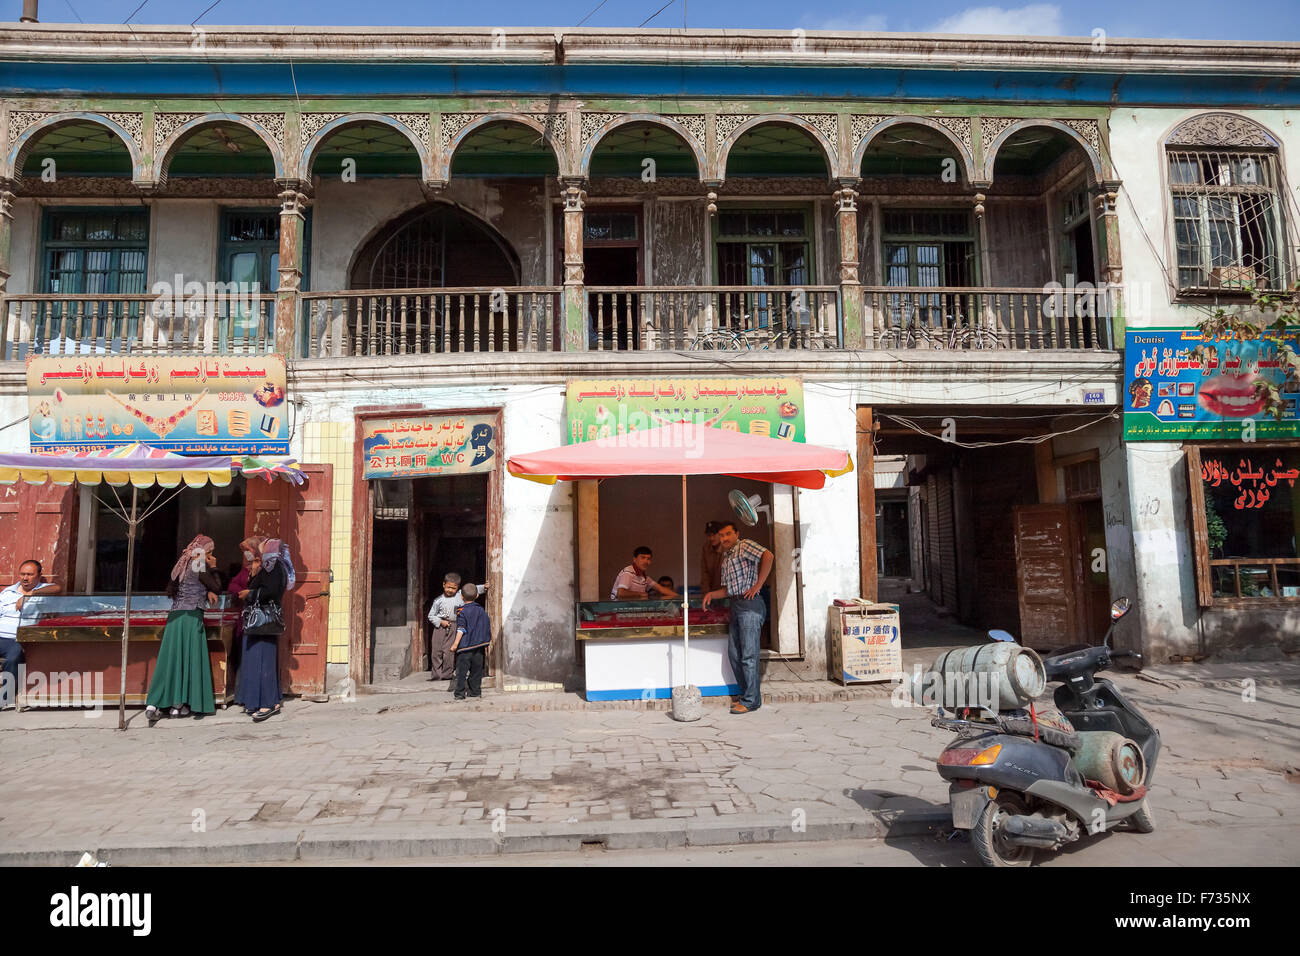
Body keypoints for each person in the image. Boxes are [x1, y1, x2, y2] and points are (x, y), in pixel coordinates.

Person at [144, 535, 221, 725]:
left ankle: (162, 703)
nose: (210, 555)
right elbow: (216, 586)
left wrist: (207, 590)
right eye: (210, 552)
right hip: (190, 616)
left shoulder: (183, 563)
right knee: (189, 658)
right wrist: (214, 567)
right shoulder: (197, 563)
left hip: (175, 617)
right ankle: (180, 704)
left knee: (172, 659)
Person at [702, 521, 773, 715]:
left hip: (750, 605)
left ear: (736, 534)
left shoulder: (744, 545)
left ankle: (751, 701)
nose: (724, 538)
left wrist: (759, 585)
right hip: (736, 605)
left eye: (728, 534)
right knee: (734, 653)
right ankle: (747, 696)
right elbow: (727, 590)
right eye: (721, 535)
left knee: (749, 655)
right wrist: (711, 595)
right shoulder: (726, 557)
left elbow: (768, 555)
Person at [238, 538, 289, 722]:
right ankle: (263, 701)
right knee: (257, 661)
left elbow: (272, 591)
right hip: (259, 624)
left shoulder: (273, 566)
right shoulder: (266, 566)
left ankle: (267, 703)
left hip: (263, 623)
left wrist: (250, 593)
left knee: (263, 662)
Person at [0, 560, 61, 710]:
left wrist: (30, 596)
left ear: (39, 576)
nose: (25, 578)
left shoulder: (43, 590)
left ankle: (4, 699)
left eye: (29, 574)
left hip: (19, 638)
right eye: (22, 574)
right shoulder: (7, 593)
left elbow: (57, 588)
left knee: (13, 658)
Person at [427, 573, 489, 683]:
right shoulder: (438, 601)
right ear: (443, 585)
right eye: (448, 587)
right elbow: (431, 615)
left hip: (454, 626)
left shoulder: (460, 595)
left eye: (454, 588)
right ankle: (436, 675)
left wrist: (484, 587)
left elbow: (472, 590)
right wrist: (440, 621)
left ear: (458, 588)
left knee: (449, 652)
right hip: (439, 628)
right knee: (436, 652)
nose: (450, 590)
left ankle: (447, 674)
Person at [226, 536, 266, 705]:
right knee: (243, 656)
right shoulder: (245, 570)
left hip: (259, 618)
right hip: (245, 618)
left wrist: (250, 592)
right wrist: (243, 591)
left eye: (248, 551)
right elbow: (232, 586)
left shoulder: (265, 568)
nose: (246, 555)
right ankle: (242, 694)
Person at [450, 583, 490, 700]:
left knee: (461, 672)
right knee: (477, 671)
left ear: (461, 597)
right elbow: (486, 625)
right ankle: (475, 691)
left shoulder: (462, 611)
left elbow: (461, 629)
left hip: (465, 648)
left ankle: (460, 693)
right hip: (479, 646)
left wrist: (455, 644)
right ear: (477, 595)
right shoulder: (481, 610)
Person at [610, 546, 679, 601]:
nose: (646, 561)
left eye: (648, 559)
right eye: (642, 557)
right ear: (634, 559)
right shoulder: (628, 573)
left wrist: (680, 598)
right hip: (618, 612)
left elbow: (661, 589)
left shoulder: (645, 577)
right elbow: (621, 593)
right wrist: (641, 594)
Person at [699, 521, 724, 595]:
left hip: (727, 592)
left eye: (714, 535)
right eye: (709, 535)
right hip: (711, 592)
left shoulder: (727, 547)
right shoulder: (706, 548)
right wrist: (706, 593)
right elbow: (704, 573)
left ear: (720, 534)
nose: (711, 538)